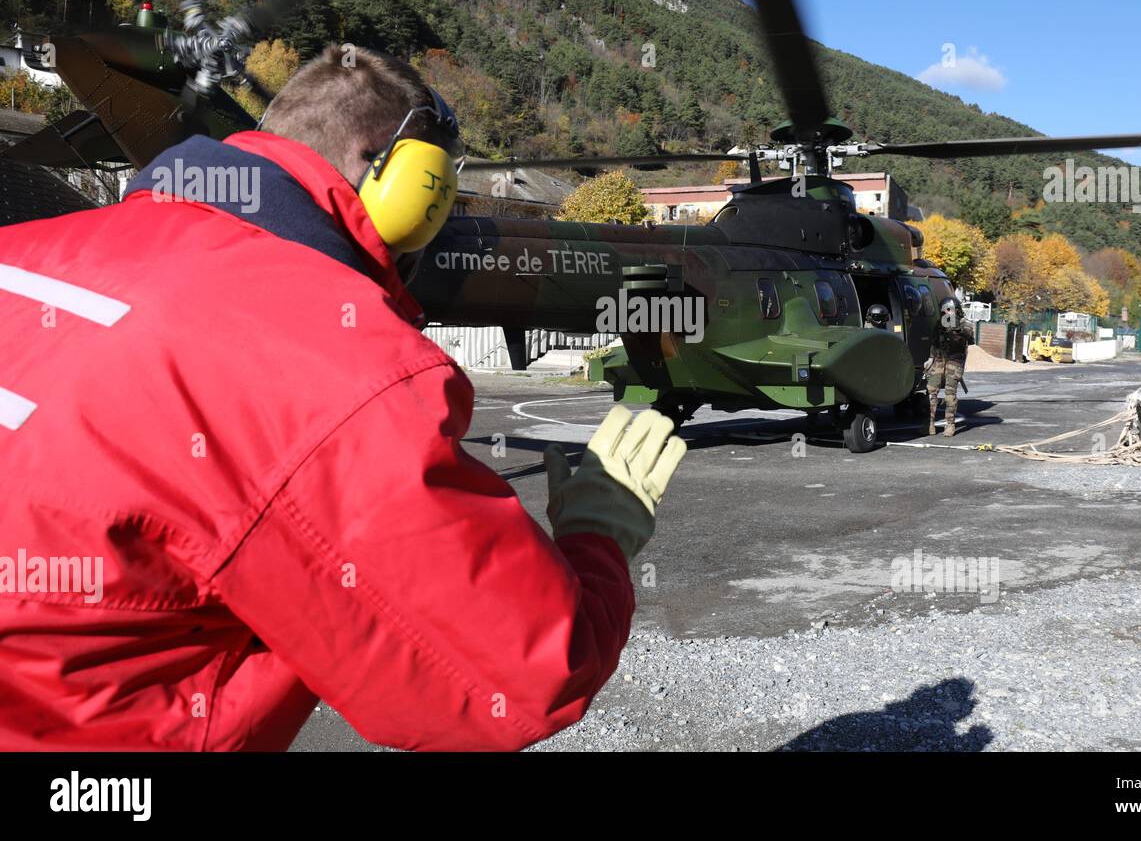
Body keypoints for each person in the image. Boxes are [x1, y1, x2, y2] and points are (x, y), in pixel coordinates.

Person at [0, 44, 685, 751]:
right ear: (402, 177)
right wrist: (600, 537)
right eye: (438, 194)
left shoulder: (28, 252)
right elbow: (518, 677)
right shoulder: (323, 361)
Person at [926, 296, 975, 436]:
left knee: (949, 393)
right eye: (944, 310)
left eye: (950, 310)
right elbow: (934, 343)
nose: (947, 313)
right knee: (931, 390)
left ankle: (950, 424)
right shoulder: (939, 324)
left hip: (955, 360)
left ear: (957, 310)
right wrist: (930, 358)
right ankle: (930, 424)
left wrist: (957, 327)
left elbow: (970, 339)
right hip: (939, 359)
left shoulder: (965, 323)